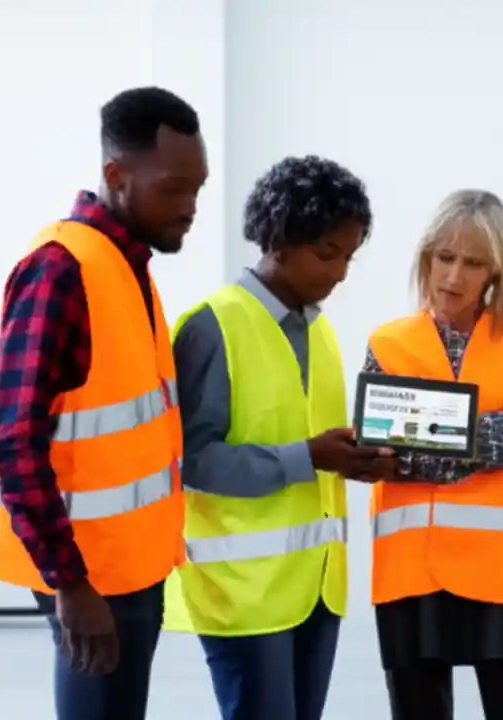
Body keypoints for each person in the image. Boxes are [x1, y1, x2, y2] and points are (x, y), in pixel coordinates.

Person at [0, 87, 208, 719]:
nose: (190, 208)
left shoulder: (127, 266)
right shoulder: (59, 271)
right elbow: (12, 442)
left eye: (197, 189)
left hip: (130, 567)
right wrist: (70, 584)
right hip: (90, 575)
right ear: (115, 176)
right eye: (175, 188)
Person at [164, 154, 390, 720]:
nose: (340, 272)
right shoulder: (212, 327)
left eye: (349, 257)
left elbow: (306, 445)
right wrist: (308, 457)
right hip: (243, 595)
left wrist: (351, 462)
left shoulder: (321, 333)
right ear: (279, 240)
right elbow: (192, 461)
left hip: (316, 589)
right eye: (327, 254)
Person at [362, 189, 503, 720]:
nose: (454, 275)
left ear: (497, 271)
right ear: (426, 257)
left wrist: (428, 429)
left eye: (473, 263)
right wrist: (492, 433)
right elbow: (383, 448)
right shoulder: (386, 343)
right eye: (444, 258)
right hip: (412, 574)